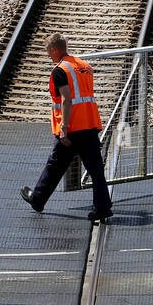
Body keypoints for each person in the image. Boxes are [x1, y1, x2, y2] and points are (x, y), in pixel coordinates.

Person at [21, 33, 113, 221]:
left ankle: (38, 199)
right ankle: (103, 208)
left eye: (48, 51)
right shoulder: (85, 66)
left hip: (72, 128)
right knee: (96, 169)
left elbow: (67, 100)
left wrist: (63, 127)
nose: (48, 55)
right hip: (89, 124)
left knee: (55, 165)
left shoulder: (59, 70)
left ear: (54, 49)